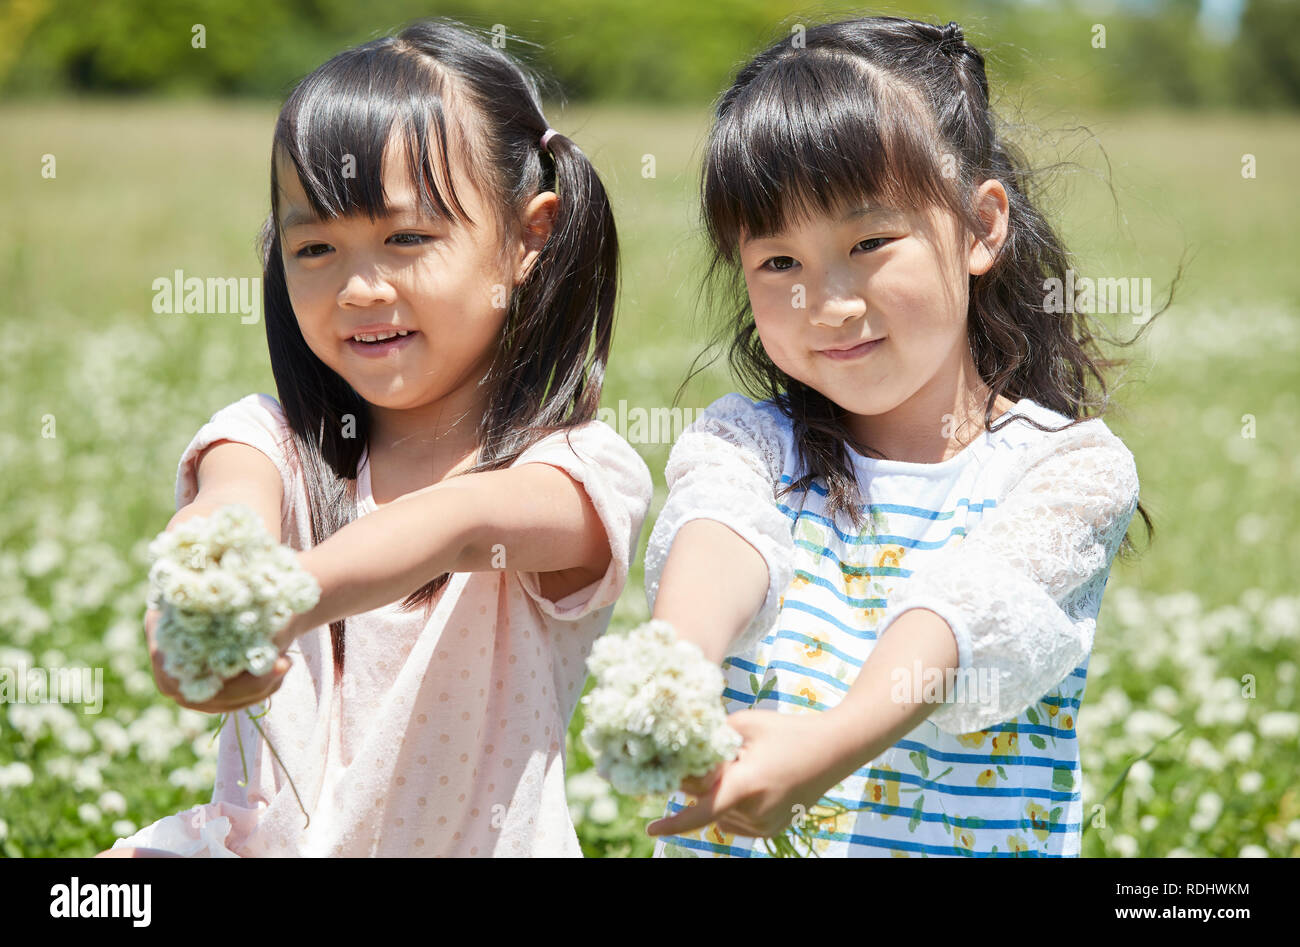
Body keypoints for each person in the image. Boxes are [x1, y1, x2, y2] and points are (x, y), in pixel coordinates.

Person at [98, 18, 651, 858]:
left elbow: (458, 523)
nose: (359, 287)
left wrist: (276, 601)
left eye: (407, 239)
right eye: (314, 245)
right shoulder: (271, 441)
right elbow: (222, 517)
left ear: (528, 236)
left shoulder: (572, 472)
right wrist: (194, 607)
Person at [643, 15, 1155, 857]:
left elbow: (963, 615)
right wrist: (675, 672)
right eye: (780, 264)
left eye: (869, 242)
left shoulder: (1069, 469)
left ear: (982, 227)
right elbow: (721, 538)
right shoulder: (744, 444)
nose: (830, 302)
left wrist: (827, 746)